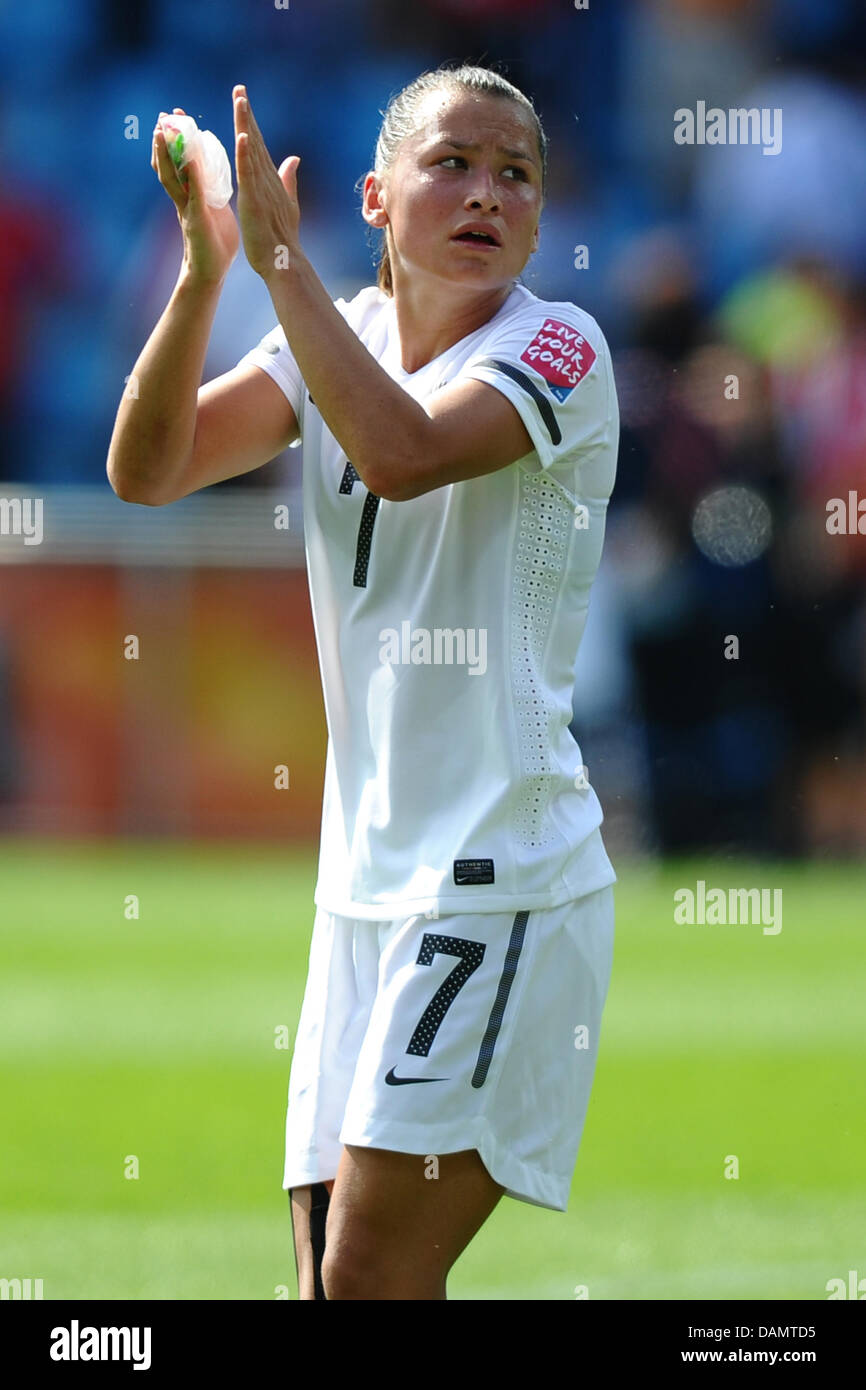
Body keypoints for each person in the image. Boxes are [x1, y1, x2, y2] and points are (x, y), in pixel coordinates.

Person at [107, 63, 619, 1302]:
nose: (488, 192)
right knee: (325, 1284)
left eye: (516, 175)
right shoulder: (327, 339)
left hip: (501, 878)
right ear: (377, 197)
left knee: (372, 1274)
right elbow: (149, 467)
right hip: (360, 887)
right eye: (452, 163)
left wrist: (284, 272)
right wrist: (206, 273)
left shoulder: (561, 344)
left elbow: (399, 453)